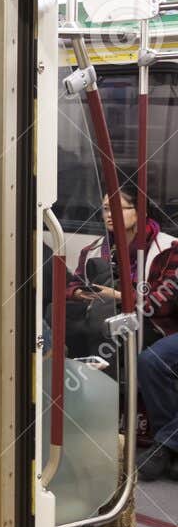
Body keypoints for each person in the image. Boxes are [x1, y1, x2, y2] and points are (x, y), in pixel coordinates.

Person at [75, 185, 178, 481]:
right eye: (106, 209)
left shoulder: (167, 249)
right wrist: (81, 292)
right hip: (121, 323)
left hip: (158, 324)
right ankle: (163, 446)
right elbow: (71, 283)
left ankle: (163, 446)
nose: (110, 215)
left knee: (151, 358)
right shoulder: (95, 249)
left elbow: (161, 304)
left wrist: (119, 295)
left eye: (118, 208)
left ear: (139, 211)